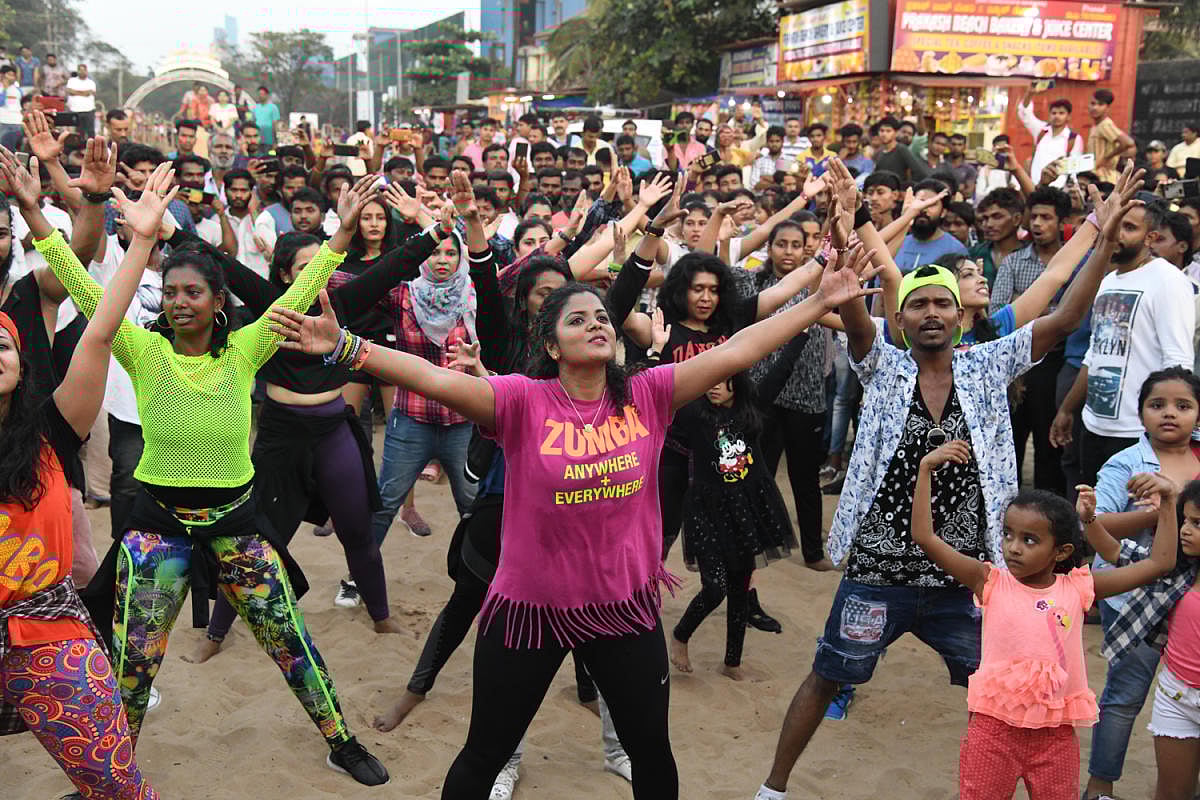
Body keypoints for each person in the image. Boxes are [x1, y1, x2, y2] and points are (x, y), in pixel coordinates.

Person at [268, 205, 882, 800]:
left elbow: (738, 350)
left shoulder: (650, 392)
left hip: (623, 611)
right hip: (529, 612)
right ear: (554, 347)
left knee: (651, 753)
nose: (596, 324)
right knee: (484, 751)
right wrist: (348, 346)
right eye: (577, 319)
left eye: (601, 317)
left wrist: (820, 302)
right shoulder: (520, 401)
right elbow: (430, 377)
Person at [751, 158, 1136, 800]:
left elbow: (1066, 317)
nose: (930, 312)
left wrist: (1102, 234)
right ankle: (774, 787)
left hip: (969, 576)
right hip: (879, 569)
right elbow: (851, 312)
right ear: (900, 321)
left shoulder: (990, 364)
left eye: (942, 304)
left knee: (1004, 684)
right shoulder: (882, 365)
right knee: (827, 674)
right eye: (917, 305)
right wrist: (845, 224)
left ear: (960, 318)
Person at [43, 157, 389, 785]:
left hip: (237, 524)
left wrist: (339, 238)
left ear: (215, 299)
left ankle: (341, 740)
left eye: (191, 292)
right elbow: (84, 289)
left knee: (291, 644)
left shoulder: (248, 346)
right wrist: (43, 219)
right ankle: (112, 777)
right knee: (132, 664)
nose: (179, 302)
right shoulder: (141, 348)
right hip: (157, 529)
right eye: (169, 292)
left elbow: (303, 288)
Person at [0, 141, 162, 800]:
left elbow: (99, 328)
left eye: (2, 344)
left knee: (120, 787)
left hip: (48, 641)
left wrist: (141, 244)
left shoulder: (45, 436)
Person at [910, 442, 1178, 800]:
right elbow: (924, 538)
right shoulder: (989, 581)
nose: (1013, 547)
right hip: (992, 730)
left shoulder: (1079, 588)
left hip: (1055, 735)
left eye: (1029, 539)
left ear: (1062, 551)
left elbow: (1159, 564)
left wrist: (1170, 503)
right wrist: (925, 470)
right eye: (1008, 534)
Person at [1080, 368, 1200, 800]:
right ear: (1141, 413)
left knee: (1187, 689)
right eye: (1157, 405)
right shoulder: (1127, 462)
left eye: (1183, 406)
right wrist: (1158, 512)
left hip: (1191, 600)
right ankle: (1100, 786)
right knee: (1126, 696)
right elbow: (1096, 521)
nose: (1170, 414)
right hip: (1135, 593)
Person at [669, 324, 804, 680]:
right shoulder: (693, 413)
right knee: (715, 587)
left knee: (741, 588)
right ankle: (680, 635)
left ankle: (732, 663)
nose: (713, 385)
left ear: (736, 381)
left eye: (722, 378)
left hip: (748, 508)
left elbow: (781, 367)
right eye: (709, 378)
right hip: (706, 510)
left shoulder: (752, 408)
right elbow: (661, 390)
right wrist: (656, 349)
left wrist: (803, 330)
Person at [1053, 197, 1196, 487]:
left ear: (1150, 237)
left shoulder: (1168, 281)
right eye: (1114, 224)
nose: (1116, 233)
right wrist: (1068, 408)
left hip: (1139, 432)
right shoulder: (1107, 281)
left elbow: (1177, 361)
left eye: (1128, 227)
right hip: (1095, 427)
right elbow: (1095, 354)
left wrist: (1167, 434)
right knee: (1094, 516)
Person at [991, 186, 1074, 494]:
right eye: (1034, 217)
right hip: (1015, 363)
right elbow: (998, 314)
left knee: (1047, 444)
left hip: (1053, 364)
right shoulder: (1014, 262)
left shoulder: (1075, 263)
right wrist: (1051, 314)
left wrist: (1024, 306)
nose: (1038, 224)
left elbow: (1071, 320)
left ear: (1061, 221)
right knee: (1008, 439)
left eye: (1046, 217)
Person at [893, 179, 966, 273]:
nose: (924, 208)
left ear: (943, 212)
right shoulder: (897, 243)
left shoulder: (955, 249)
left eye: (931, 204)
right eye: (920, 202)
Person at [969, 188, 1025, 286]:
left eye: (997, 217)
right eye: (985, 218)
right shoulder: (974, 253)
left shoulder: (1031, 255)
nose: (989, 224)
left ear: (1016, 219)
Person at [1088, 89, 1136, 183]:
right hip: (1094, 173)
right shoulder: (1096, 125)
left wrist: (1106, 158)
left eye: (1100, 104)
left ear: (1107, 107)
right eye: (1093, 103)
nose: (1095, 108)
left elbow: (1128, 142)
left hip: (1104, 176)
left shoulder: (1105, 125)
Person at [872, 117, 930, 184]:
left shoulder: (902, 149)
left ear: (896, 133)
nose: (884, 134)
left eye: (888, 131)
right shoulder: (879, 153)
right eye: (882, 131)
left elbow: (919, 173)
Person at [65, 64, 95, 137]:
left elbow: (90, 92)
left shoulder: (91, 82)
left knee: (90, 131)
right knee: (78, 132)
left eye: (83, 70)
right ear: (77, 71)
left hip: (89, 110)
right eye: (80, 70)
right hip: (75, 110)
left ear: (86, 71)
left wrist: (76, 92)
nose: (82, 72)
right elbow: (70, 91)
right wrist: (84, 92)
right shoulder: (71, 81)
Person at [0, 66, 21, 150]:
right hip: (3, 121)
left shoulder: (17, 90)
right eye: (9, 74)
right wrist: (5, 89)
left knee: (12, 148)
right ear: (2, 75)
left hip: (16, 122)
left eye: (13, 75)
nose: (12, 77)